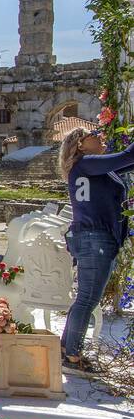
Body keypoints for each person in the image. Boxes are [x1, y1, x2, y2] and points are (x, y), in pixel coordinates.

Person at [59, 127, 134, 375]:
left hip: (94, 239)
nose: (101, 136)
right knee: (87, 299)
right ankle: (72, 355)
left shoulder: (90, 167)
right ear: (80, 143)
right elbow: (126, 156)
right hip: (95, 239)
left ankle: (67, 349)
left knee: (85, 299)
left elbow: (126, 163)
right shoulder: (86, 163)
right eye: (94, 134)